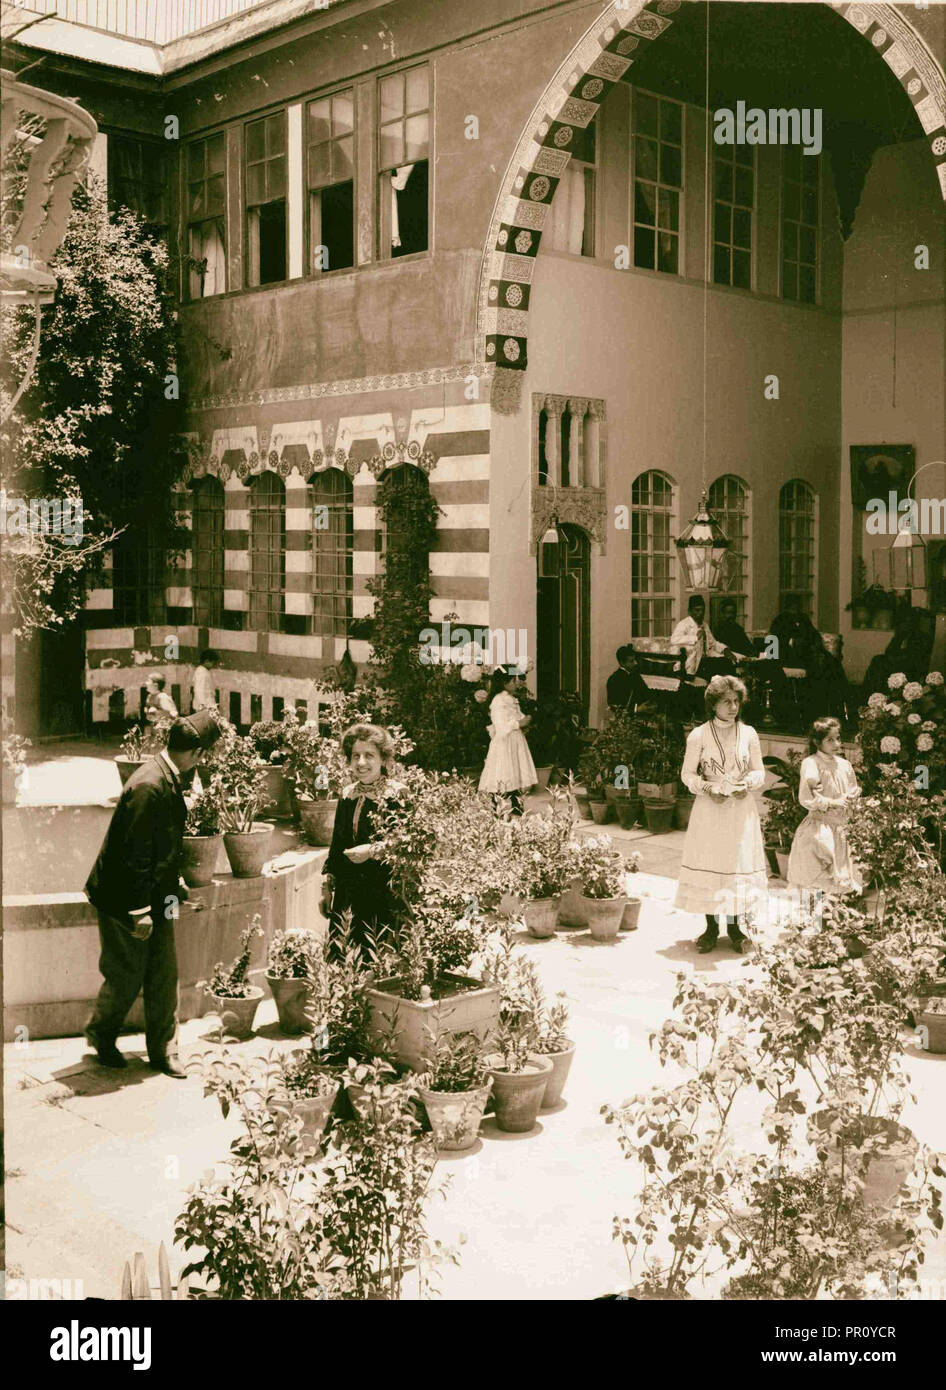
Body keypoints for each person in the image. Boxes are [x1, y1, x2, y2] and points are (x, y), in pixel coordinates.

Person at [85, 711, 222, 1076]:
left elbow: (163, 843)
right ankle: (101, 1035)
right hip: (127, 900)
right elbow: (135, 854)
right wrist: (141, 910)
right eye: (205, 755)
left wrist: (174, 884)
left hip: (155, 896)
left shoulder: (166, 775)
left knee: (164, 972)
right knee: (126, 974)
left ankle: (164, 1050)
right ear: (197, 754)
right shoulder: (149, 785)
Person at [674, 675, 768, 954]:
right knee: (711, 862)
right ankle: (711, 929)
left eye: (736, 701)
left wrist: (748, 785)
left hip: (740, 809)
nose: (733, 707)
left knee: (736, 864)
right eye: (726, 701)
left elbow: (759, 771)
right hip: (710, 809)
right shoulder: (699, 734)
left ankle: (736, 929)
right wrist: (706, 788)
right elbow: (686, 774)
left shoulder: (749, 733)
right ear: (713, 704)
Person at [322, 723, 403, 958]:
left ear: (383, 759)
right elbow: (337, 846)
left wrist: (373, 850)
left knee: (376, 957)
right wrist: (327, 888)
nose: (361, 763)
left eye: (369, 755)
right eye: (355, 756)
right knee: (342, 956)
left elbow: (408, 844)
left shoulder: (396, 794)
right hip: (348, 893)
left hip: (381, 892)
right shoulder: (347, 795)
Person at [787, 717, 862, 897]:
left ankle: (836, 920)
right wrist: (832, 802)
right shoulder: (812, 763)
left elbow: (852, 788)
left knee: (841, 880)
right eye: (830, 739)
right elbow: (808, 795)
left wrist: (853, 797)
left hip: (842, 828)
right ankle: (811, 919)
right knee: (816, 877)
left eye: (838, 738)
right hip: (820, 828)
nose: (837, 743)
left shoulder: (844, 765)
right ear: (817, 741)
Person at [479, 666, 537, 815]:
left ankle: (515, 801)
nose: (516, 683)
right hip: (505, 741)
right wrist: (520, 723)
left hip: (514, 740)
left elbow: (517, 716)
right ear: (504, 683)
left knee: (515, 769)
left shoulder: (510, 698)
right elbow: (501, 724)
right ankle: (495, 804)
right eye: (513, 680)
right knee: (503, 770)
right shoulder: (499, 700)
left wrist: (525, 719)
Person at [670, 595, 737, 680]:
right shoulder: (684, 624)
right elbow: (674, 639)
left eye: (702, 610)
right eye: (697, 610)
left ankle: (731, 689)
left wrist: (725, 650)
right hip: (690, 663)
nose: (700, 613)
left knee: (727, 663)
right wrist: (695, 637)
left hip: (705, 660)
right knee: (720, 669)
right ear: (690, 612)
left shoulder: (704, 625)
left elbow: (713, 643)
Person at [606, 645, 650, 716]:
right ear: (622, 663)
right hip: (625, 721)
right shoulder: (614, 680)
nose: (636, 663)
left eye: (635, 659)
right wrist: (636, 709)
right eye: (631, 661)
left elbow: (645, 693)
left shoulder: (635, 676)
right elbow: (614, 706)